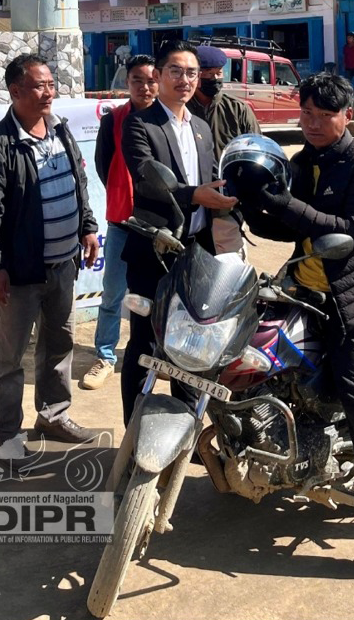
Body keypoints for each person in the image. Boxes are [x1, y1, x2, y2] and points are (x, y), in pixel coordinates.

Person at [243, 72, 354, 597]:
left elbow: (353, 230)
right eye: (306, 115)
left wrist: (281, 202)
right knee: (249, 363)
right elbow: (288, 227)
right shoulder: (302, 163)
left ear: (347, 115)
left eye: (325, 116)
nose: (314, 125)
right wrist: (249, 201)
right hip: (302, 291)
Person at [0, 53, 100, 460]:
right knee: (8, 359)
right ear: (15, 91)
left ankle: (53, 416)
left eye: (51, 84)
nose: (49, 93)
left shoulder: (60, 130)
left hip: (64, 265)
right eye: (40, 85)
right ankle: (7, 435)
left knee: (59, 345)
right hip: (20, 273)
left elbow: (79, 182)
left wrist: (88, 227)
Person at [119, 39, 237, 426]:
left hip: (195, 253)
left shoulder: (201, 126)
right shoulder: (140, 123)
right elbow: (146, 180)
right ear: (158, 75)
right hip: (154, 251)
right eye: (176, 71)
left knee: (192, 345)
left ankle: (186, 429)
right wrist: (195, 196)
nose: (185, 80)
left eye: (191, 73)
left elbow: (209, 182)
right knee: (146, 344)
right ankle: (135, 432)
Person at [80, 54, 158, 391]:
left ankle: (157, 354)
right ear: (127, 83)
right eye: (137, 80)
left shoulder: (170, 119)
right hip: (123, 222)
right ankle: (106, 356)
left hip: (162, 228)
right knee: (113, 293)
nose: (145, 86)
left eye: (151, 80)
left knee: (160, 295)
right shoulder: (113, 121)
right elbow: (103, 165)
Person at [188, 44, 261, 256]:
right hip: (189, 206)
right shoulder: (180, 109)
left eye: (219, 73)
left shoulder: (238, 110)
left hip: (227, 208)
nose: (214, 79)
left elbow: (255, 155)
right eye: (207, 74)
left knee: (230, 267)